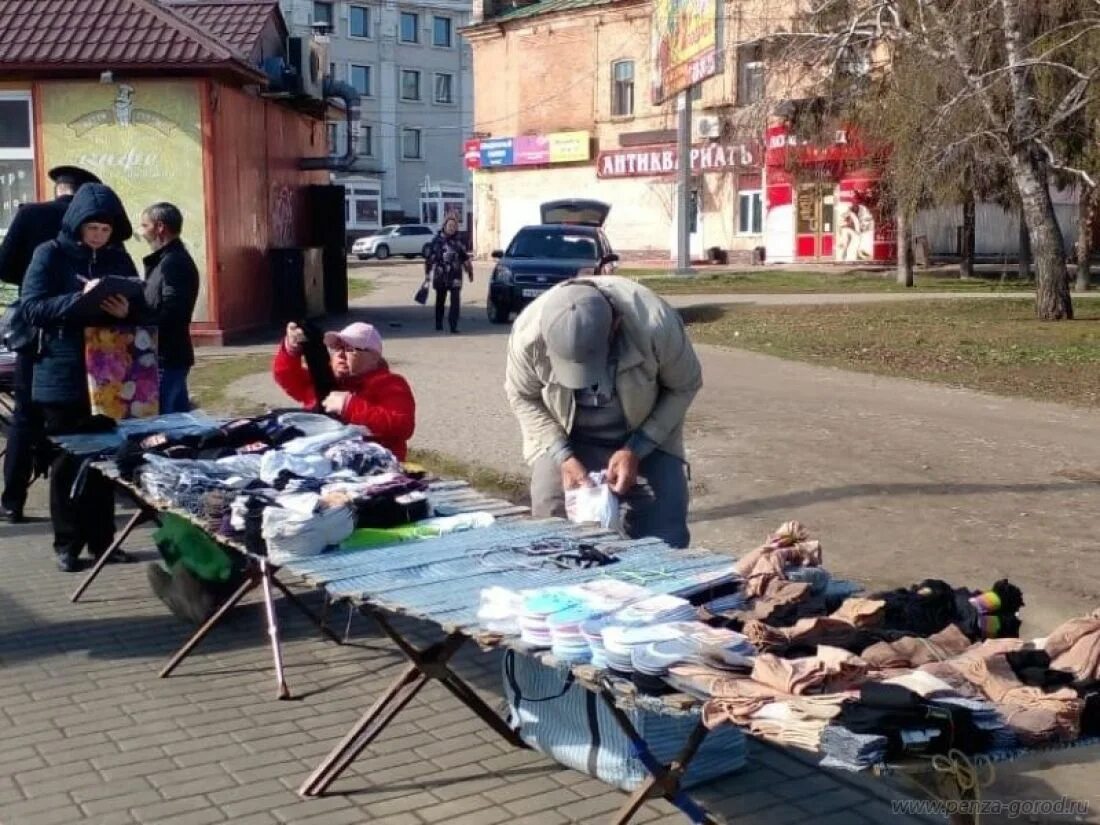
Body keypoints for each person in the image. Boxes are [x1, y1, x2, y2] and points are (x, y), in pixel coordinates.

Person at [504, 276, 703, 548]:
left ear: (616, 326)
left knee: (666, 529)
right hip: (565, 435)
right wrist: (562, 454)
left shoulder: (655, 323)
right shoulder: (528, 334)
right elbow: (521, 396)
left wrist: (638, 448)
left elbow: (685, 385)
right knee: (549, 520)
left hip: (645, 433)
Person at [20, 183, 143, 571]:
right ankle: (67, 543)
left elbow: (141, 303)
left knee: (106, 462)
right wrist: (79, 299)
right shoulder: (50, 254)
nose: (98, 237)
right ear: (76, 226)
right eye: (92, 229)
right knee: (68, 461)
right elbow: (32, 307)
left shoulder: (118, 258)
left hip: (108, 376)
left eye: (106, 231)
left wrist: (127, 311)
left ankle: (103, 542)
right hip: (62, 373)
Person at [0, 165, 101, 523]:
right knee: (78, 422)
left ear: (58, 187)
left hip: (33, 336)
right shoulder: (94, 224)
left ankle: (13, 501)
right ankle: (79, 503)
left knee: (25, 418)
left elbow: (4, 265)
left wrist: (32, 281)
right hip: (75, 339)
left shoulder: (30, 214)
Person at [273, 320, 416, 460]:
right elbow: (287, 376)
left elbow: (402, 426)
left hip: (374, 466)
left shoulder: (390, 384)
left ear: (374, 357)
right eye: (337, 348)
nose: (340, 354)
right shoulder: (325, 381)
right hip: (324, 463)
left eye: (349, 349)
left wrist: (349, 406)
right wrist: (291, 348)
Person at [138, 202, 199, 413]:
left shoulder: (174, 263)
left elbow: (173, 313)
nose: (142, 232)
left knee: (166, 423)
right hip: (166, 355)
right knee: (179, 421)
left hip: (168, 357)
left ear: (160, 227)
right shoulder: (165, 261)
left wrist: (132, 314)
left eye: (145, 226)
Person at [424, 216, 473, 333]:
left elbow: (465, 258)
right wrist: (427, 274)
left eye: (454, 226)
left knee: (455, 301)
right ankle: (439, 323)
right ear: (444, 226)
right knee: (440, 300)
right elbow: (430, 258)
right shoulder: (437, 241)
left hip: (455, 276)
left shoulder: (459, 241)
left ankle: (453, 326)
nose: (452, 228)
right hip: (441, 276)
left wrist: (470, 271)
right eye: (450, 225)